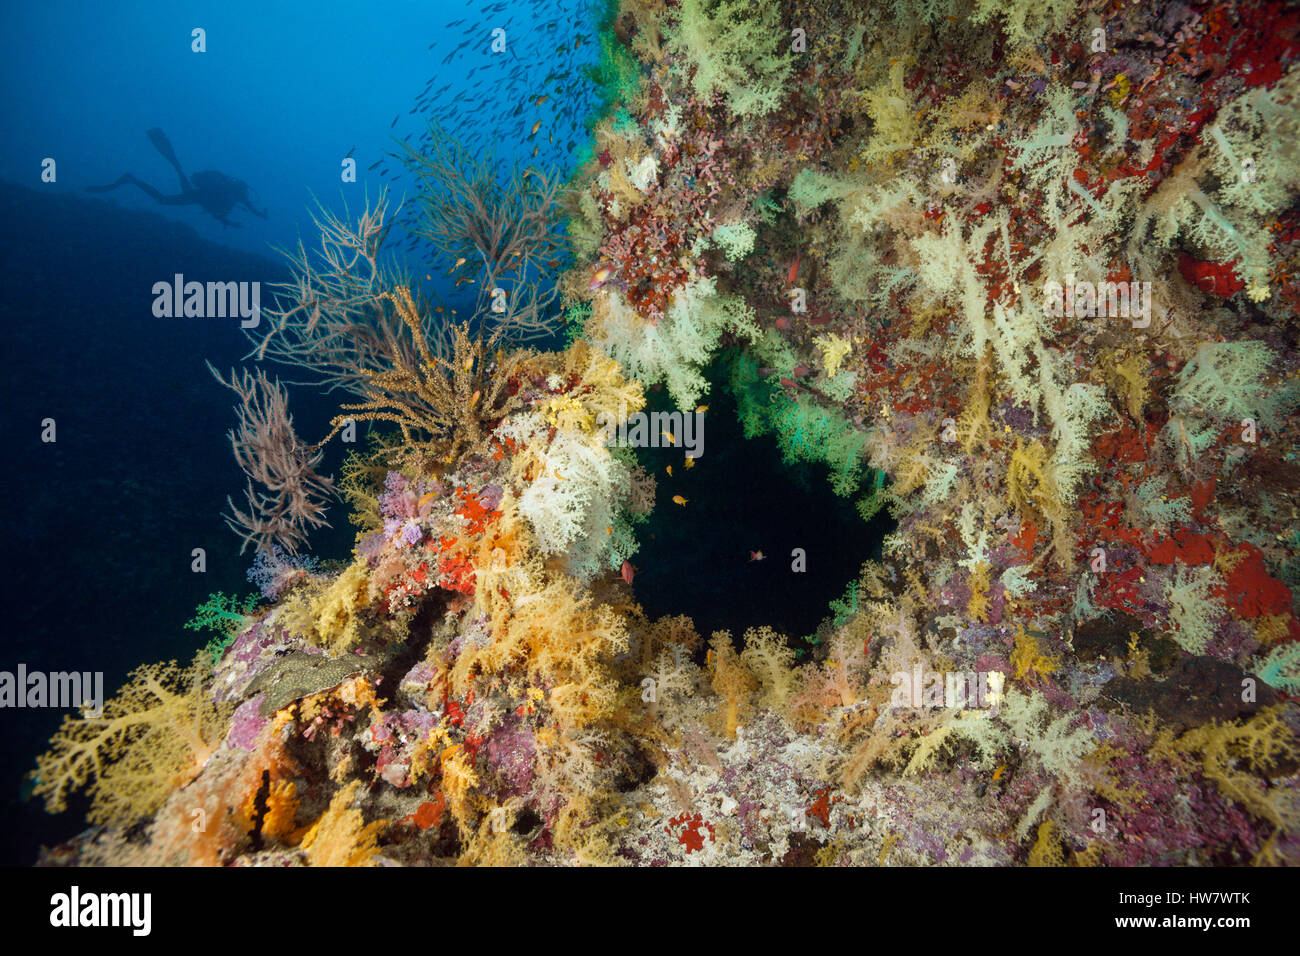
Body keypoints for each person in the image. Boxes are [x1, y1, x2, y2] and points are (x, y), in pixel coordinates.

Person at [87, 128, 268, 227]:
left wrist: (227, 221)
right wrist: (258, 215)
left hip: (198, 196)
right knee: (164, 199)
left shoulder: (233, 196)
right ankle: (134, 179)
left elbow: (218, 210)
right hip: (198, 196)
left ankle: (141, 176)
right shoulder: (236, 196)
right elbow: (237, 209)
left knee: (168, 194)